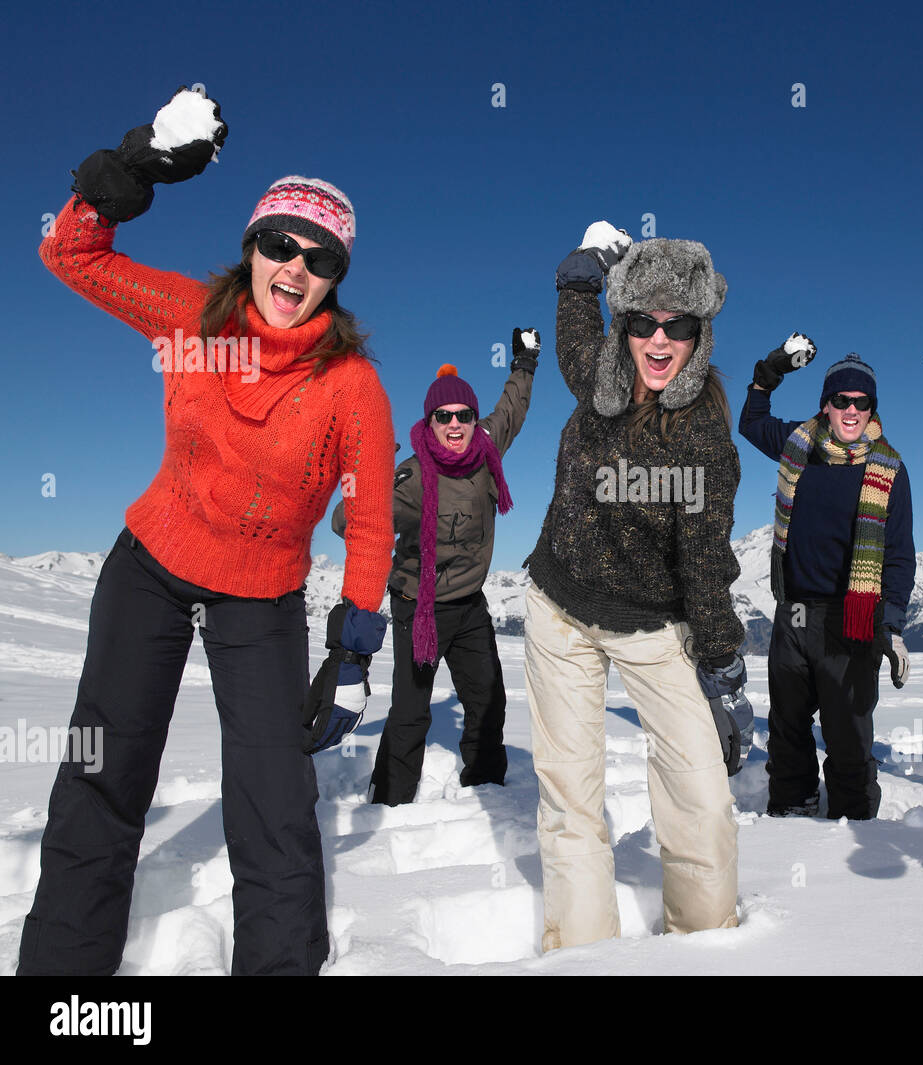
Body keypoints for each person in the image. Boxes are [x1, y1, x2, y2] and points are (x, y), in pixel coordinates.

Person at [17, 90, 394, 976]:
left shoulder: (352, 387)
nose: (294, 268)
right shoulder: (192, 318)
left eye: (321, 257)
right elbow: (68, 252)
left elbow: (372, 523)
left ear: (338, 276)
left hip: (261, 594)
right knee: (101, 771)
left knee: (274, 801)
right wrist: (137, 162)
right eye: (279, 243)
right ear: (252, 246)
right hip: (150, 562)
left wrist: (351, 655)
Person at [523, 222, 751, 951]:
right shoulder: (598, 379)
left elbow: (706, 560)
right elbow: (572, 316)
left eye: (676, 324)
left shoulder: (705, 440)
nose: (658, 341)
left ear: (699, 332)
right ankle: (583, 955)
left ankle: (709, 946)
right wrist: (583, 264)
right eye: (643, 323)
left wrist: (722, 661)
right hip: (559, 607)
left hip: (655, 627)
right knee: (570, 794)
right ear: (624, 327)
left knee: (703, 798)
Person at [332, 333, 535, 801]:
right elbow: (347, 521)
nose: (456, 424)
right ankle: (390, 798)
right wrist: (372, 481)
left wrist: (525, 361)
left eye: (464, 414)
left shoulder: (485, 448)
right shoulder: (412, 479)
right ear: (431, 421)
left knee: (487, 701)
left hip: (469, 607)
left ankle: (489, 791)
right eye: (444, 417)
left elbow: (513, 410)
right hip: (417, 608)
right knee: (410, 709)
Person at [741, 345, 916, 818]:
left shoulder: (889, 470)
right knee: (788, 728)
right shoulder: (800, 443)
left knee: (847, 732)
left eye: (862, 402)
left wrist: (894, 625)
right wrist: (770, 369)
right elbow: (751, 421)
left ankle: (855, 820)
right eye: (842, 401)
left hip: (852, 621)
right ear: (826, 404)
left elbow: (899, 557)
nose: (852, 411)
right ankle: (792, 810)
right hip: (793, 613)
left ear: (872, 408)